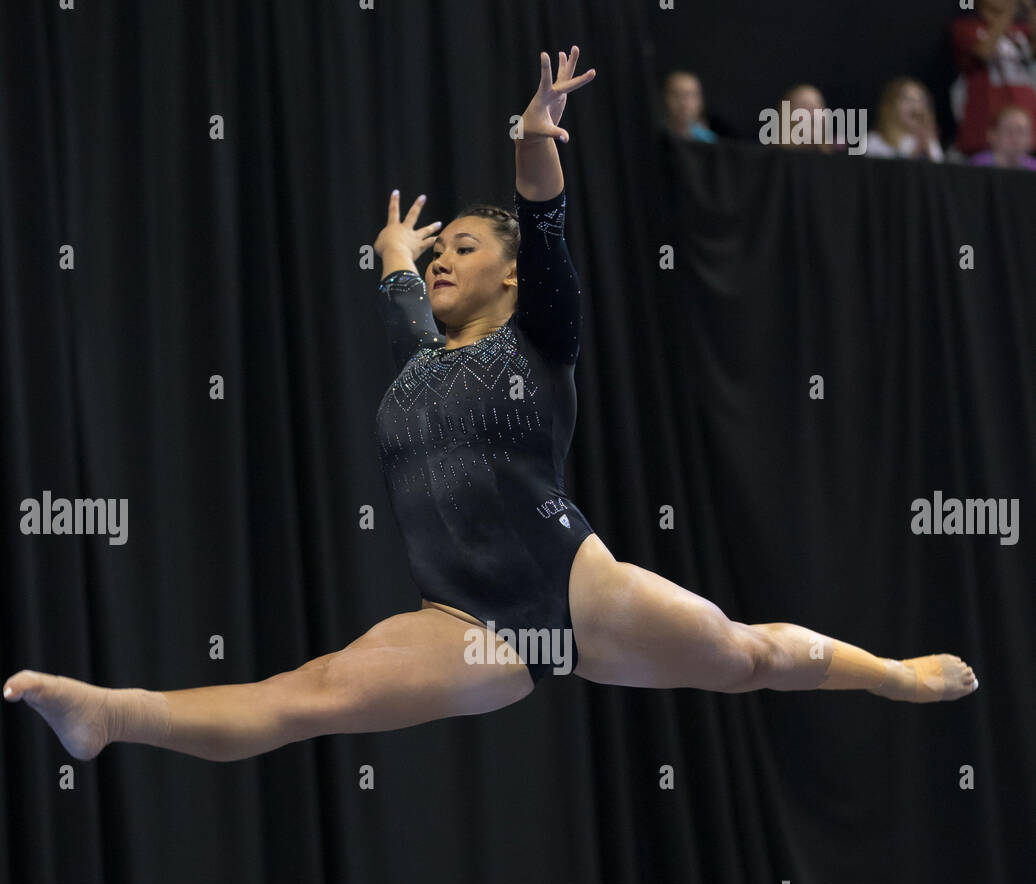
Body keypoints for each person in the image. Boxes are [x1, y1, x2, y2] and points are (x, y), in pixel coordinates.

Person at [3, 47, 978, 765]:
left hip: (576, 585)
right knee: (313, 694)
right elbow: (397, 290)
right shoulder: (417, 357)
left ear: (512, 278)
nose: (440, 260)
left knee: (738, 655)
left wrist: (533, 141)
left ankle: (891, 673)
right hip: (469, 621)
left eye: (462, 249)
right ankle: (110, 712)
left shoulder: (541, 337)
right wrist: (395, 253)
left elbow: (545, 221)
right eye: (439, 253)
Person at [951, 0, 1036, 156]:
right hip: (985, 126)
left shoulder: (1020, 31)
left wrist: (1030, 10)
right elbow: (984, 52)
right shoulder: (966, 27)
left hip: (1024, 119)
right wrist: (1010, 11)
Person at [866, 78, 944, 159]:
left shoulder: (930, 142)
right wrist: (913, 153)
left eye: (921, 100)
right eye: (908, 99)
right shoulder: (875, 141)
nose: (916, 107)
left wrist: (927, 149)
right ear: (891, 105)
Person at [660, 70, 718, 143]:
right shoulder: (655, 136)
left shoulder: (709, 141)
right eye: (677, 95)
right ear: (664, 98)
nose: (684, 103)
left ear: (700, 101)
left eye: (690, 95)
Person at [972, 103, 1036, 167]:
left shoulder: (1033, 168)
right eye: (1008, 131)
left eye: (1021, 132)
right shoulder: (976, 165)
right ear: (992, 135)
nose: (1015, 138)